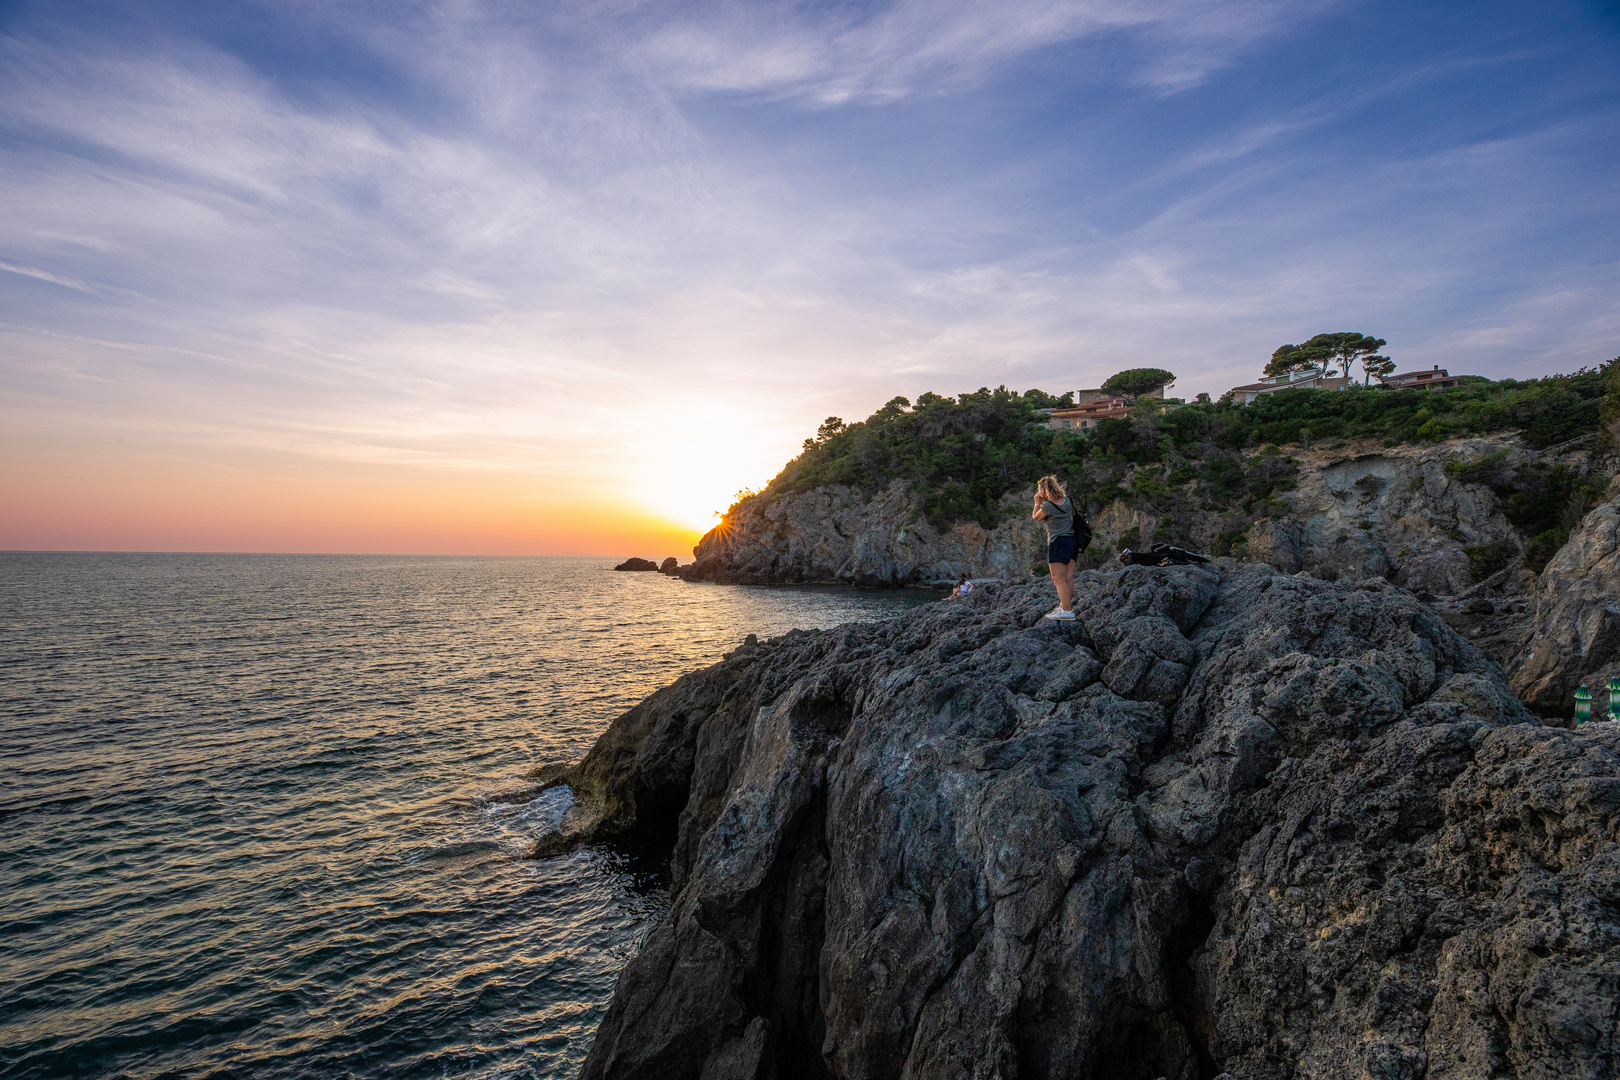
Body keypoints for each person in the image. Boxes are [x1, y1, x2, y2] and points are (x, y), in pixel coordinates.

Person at [1032, 475, 1077, 619]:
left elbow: (1036, 517)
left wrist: (1037, 502)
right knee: (1068, 577)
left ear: (1044, 490)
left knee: (1058, 578)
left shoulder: (1048, 506)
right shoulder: (1067, 500)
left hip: (1057, 541)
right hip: (1072, 540)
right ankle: (1064, 606)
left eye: (1040, 490)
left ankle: (1068, 612)